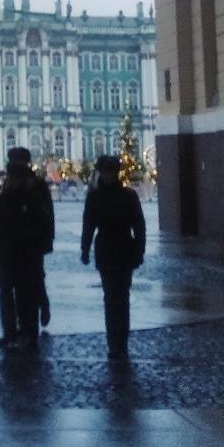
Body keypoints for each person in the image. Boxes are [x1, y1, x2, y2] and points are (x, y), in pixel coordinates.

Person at [81, 153, 148, 361]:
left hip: (122, 250)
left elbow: (139, 226)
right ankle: (114, 343)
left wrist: (139, 250)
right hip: (108, 251)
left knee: (121, 297)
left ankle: (121, 342)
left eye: (110, 172)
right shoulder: (96, 197)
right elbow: (88, 225)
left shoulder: (127, 196)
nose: (108, 175)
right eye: (105, 171)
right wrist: (84, 249)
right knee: (112, 298)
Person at [0, 147, 55, 349]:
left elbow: (47, 218)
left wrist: (44, 243)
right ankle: (10, 332)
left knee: (29, 291)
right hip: (8, 252)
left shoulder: (37, 190)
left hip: (29, 251)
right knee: (7, 292)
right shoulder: (6, 191)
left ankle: (30, 331)